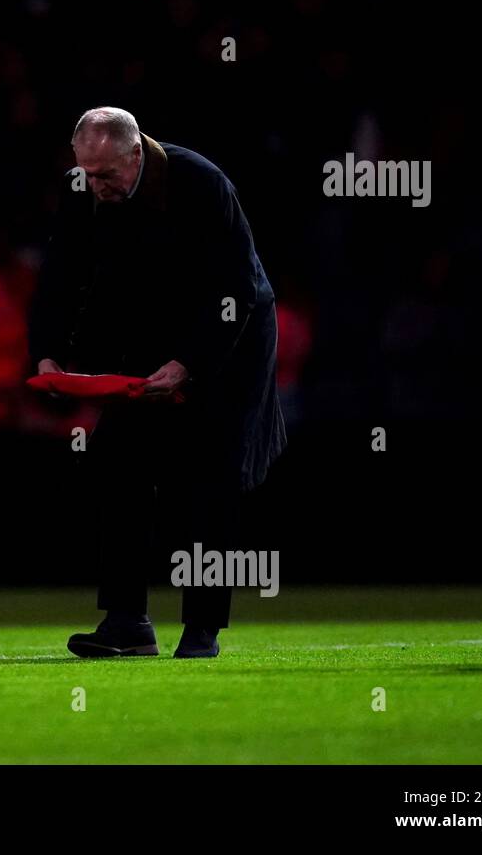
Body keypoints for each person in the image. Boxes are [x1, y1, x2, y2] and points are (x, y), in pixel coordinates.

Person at [29, 107, 287, 658]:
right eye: (87, 173)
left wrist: (189, 363)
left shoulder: (202, 183)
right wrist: (47, 352)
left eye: (106, 175)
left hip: (231, 339)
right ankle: (127, 622)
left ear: (137, 153)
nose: (94, 186)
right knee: (115, 465)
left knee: (209, 483)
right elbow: (62, 272)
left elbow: (236, 290)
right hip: (153, 330)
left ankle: (202, 629)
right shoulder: (88, 186)